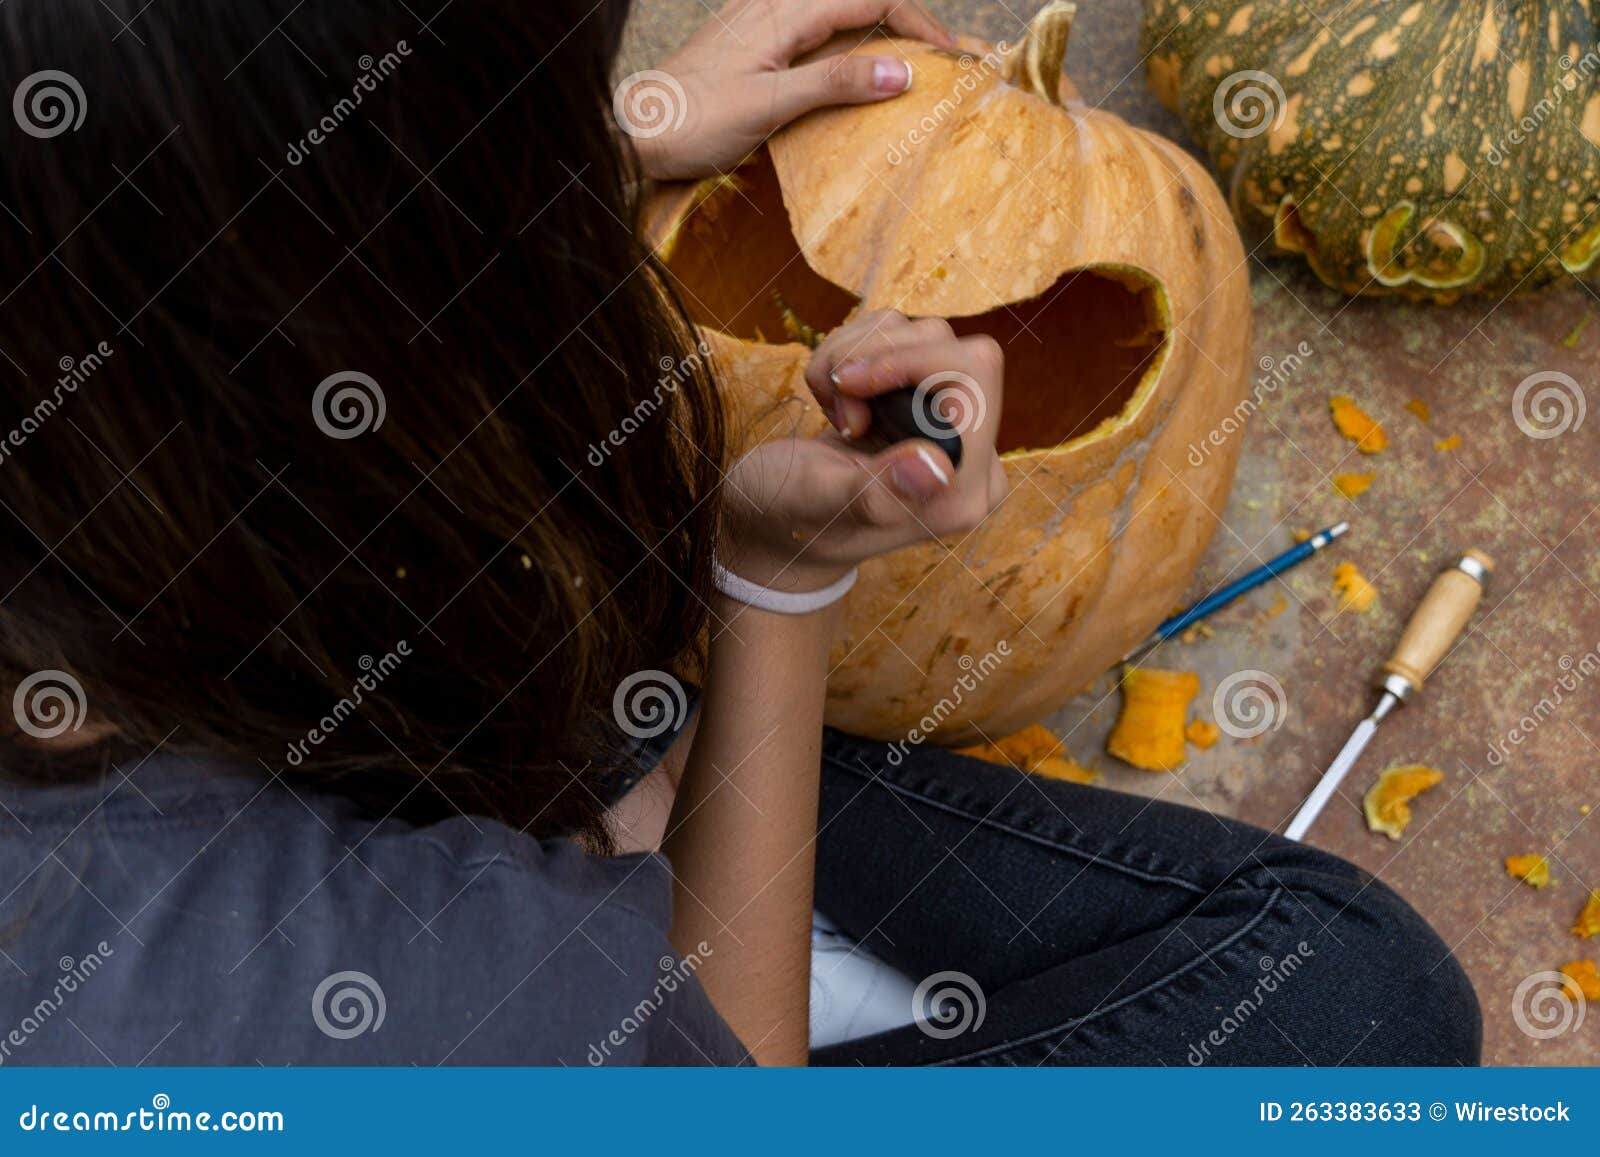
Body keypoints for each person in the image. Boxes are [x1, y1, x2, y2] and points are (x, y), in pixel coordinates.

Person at [0, 0, 1479, 1066]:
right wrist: (776, 583)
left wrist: (593, 143)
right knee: (1349, 996)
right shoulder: (344, 995)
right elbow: (721, 1086)